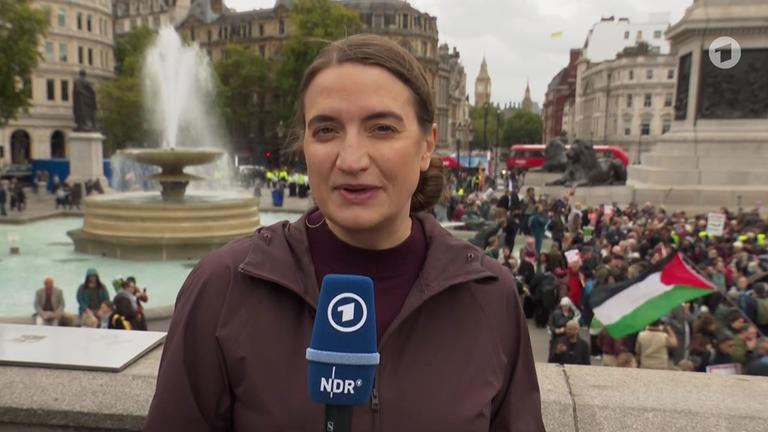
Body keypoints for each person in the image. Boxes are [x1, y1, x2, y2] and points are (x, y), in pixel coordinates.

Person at [145, 34, 545, 431]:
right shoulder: (224, 286)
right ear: (304, 144)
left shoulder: (490, 296)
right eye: (326, 130)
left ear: (427, 146)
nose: (351, 159)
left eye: (382, 128)